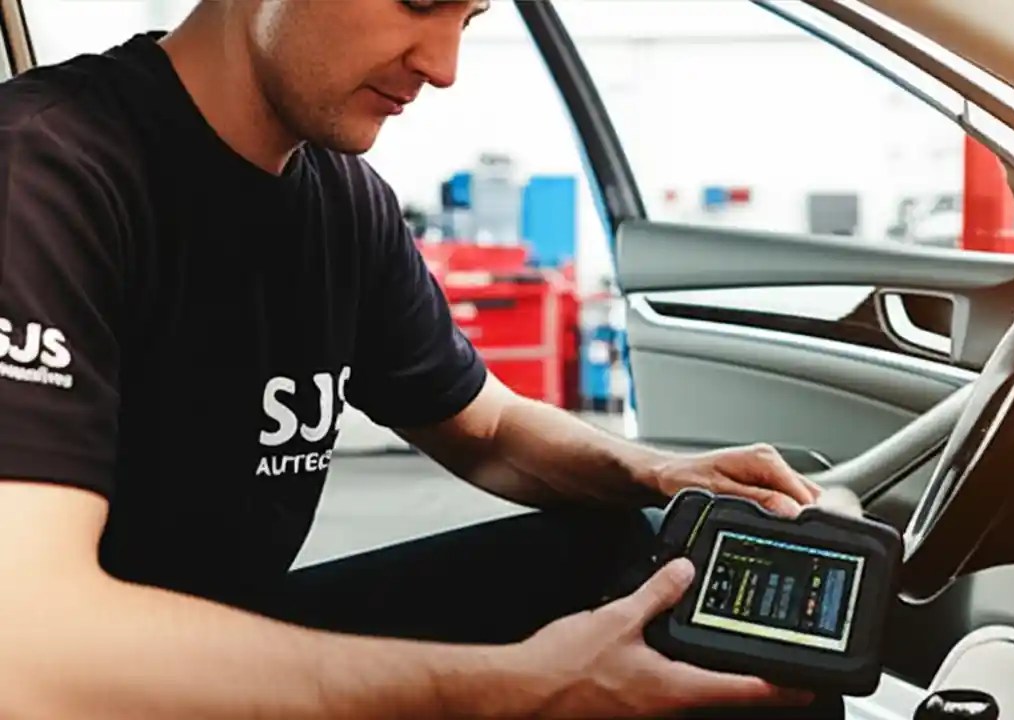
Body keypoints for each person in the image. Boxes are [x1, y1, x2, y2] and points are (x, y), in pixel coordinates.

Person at [0, 1, 850, 717]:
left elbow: (484, 428)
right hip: (78, 677)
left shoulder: (340, 200)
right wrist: (509, 688)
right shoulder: (44, 173)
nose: (444, 66)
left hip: (222, 631)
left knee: (645, 569)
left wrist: (658, 473)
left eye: (468, 15)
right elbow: (28, 647)